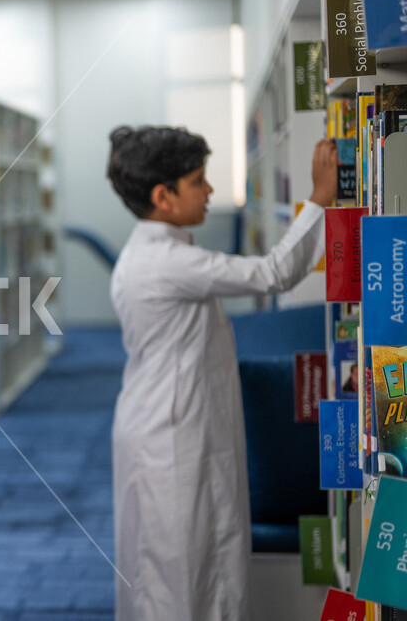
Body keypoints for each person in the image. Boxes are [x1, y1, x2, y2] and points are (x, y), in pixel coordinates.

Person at [107, 126, 337, 621]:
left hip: (169, 423)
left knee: (184, 565)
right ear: (162, 197)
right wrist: (319, 198)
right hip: (171, 436)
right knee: (179, 573)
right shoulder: (167, 261)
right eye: (198, 181)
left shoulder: (154, 253)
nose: (210, 191)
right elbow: (272, 273)